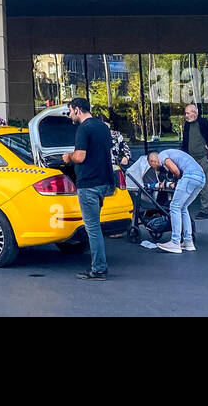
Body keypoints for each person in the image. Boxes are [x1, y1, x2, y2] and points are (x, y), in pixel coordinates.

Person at [61, 97, 114, 280]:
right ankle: (99, 265)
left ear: (77, 109)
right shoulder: (102, 127)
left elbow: (81, 156)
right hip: (103, 183)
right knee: (95, 226)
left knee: (92, 228)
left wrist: (68, 157)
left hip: (88, 184)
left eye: (70, 111)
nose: (70, 115)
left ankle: (99, 269)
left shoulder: (84, 128)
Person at [147, 148, 206, 254]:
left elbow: (175, 171)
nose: (155, 168)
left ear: (152, 161)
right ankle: (188, 241)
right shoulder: (172, 153)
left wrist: (178, 180)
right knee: (183, 207)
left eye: (153, 166)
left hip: (190, 176)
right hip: (201, 177)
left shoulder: (162, 156)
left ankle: (175, 242)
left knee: (174, 206)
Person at [180, 103, 208, 218]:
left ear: (195, 113)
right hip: (192, 159)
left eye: (188, 113)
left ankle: (204, 209)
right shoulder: (187, 125)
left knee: (202, 184)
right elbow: (185, 141)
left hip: (204, 158)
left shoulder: (204, 123)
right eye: (186, 113)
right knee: (197, 184)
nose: (186, 115)